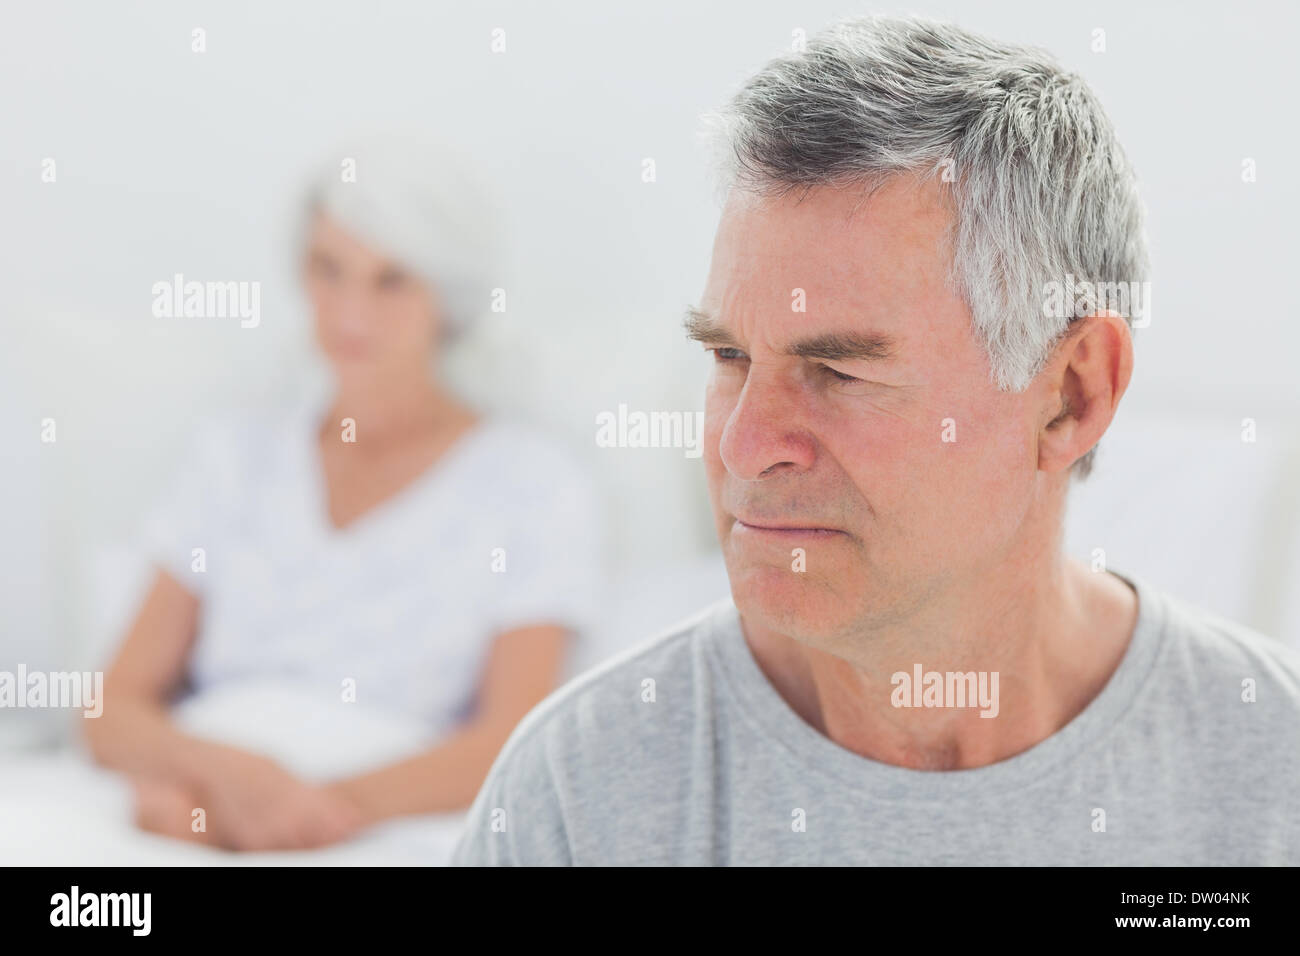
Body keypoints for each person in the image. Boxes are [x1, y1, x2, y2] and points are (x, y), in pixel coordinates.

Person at [451, 16, 1300, 865]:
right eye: (727, 355)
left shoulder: (1271, 768)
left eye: (839, 372)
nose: (745, 447)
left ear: (1072, 394)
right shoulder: (577, 796)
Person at [84, 136, 602, 852]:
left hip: (381, 826)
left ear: (446, 300)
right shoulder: (235, 456)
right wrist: (215, 780)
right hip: (193, 803)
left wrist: (311, 810)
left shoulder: (532, 484)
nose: (350, 313)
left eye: (391, 281)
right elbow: (113, 705)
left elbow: (513, 736)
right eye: (329, 270)